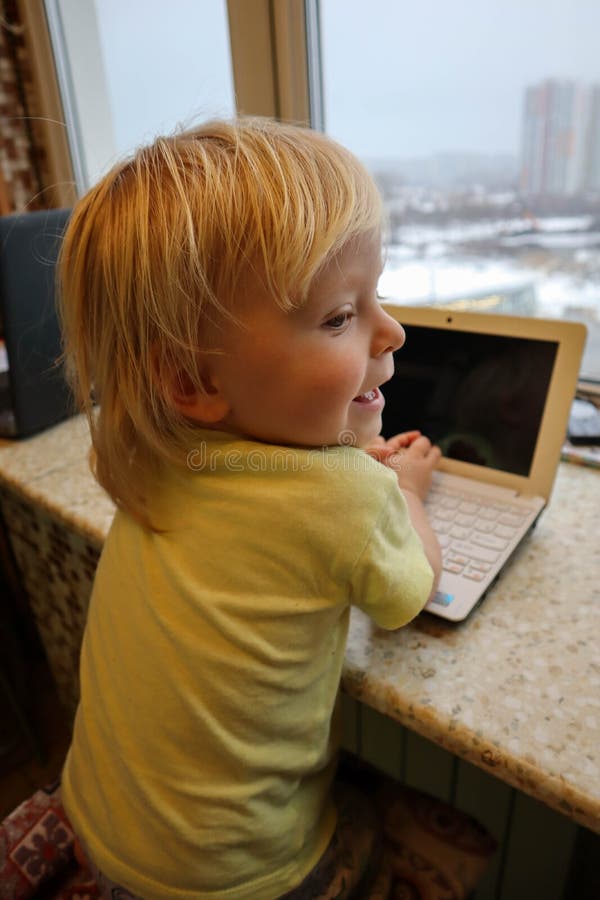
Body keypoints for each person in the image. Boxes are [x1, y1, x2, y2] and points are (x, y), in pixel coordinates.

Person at [58, 117, 442, 899]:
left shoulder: (154, 449)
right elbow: (411, 596)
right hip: (233, 879)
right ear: (194, 384)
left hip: (98, 827)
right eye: (340, 317)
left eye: (378, 296)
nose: (392, 330)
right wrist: (405, 489)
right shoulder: (348, 495)